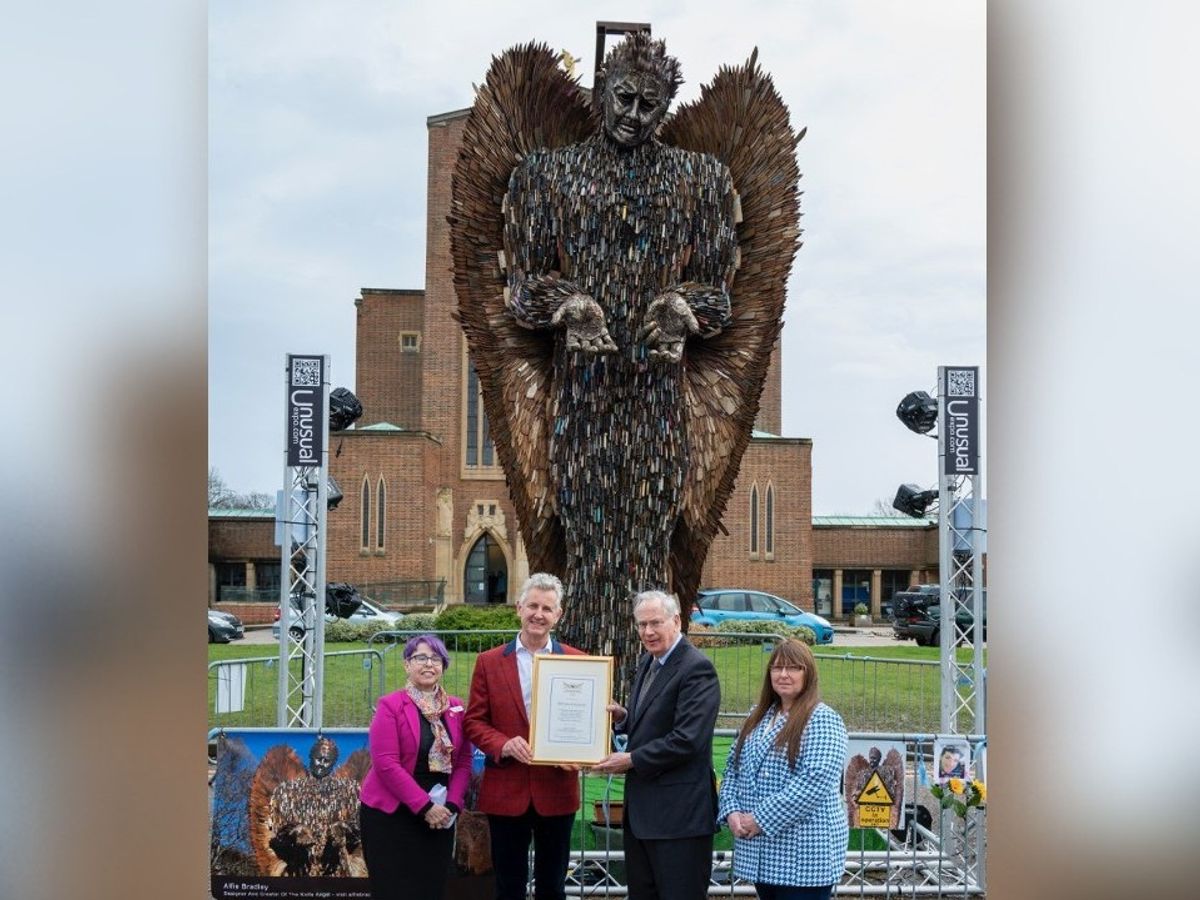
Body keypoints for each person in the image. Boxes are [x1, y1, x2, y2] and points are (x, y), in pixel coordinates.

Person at [501, 31, 738, 689]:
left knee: (647, 547)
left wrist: (686, 309)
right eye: (625, 99)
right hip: (583, 395)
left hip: (657, 398)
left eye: (649, 105)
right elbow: (520, 283)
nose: (634, 115)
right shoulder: (547, 176)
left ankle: (647, 691)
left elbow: (719, 290)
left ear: (665, 108)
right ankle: (577, 697)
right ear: (602, 92)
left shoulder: (700, 180)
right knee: (587, 545)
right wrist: (568, 302)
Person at [592, 590, 721, 900]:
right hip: (643, 818)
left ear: (676, 621)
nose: (647, 632)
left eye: (655, 623)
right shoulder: (650, 662)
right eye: (641, 625)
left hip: (679, 820)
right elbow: (655, 720)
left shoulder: (696, 669)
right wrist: (624, 717)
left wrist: (631, 759)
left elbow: (687, 740)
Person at [464, 573, 584, 900]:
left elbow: (585, 727)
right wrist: (502, 744)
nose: (538, 614)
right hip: (506, 792)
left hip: (556, 792)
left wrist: (584, 747)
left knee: (552, 887)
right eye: (533, 605)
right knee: (508, 887)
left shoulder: (579, 663)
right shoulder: (488, 663)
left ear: (558, 615)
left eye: (547, 608)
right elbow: (474, 722)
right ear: (519, 607)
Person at [717, 638, 848, 900]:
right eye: (777, 668)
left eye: (793, 668)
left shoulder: (823, 718)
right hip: (762, 854)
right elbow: (733, 768)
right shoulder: (758, 715)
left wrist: (759, 819)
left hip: (804, 855)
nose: (783, 674)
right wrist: (731, 812)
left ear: (808, 674)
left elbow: (813, 783)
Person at [358, 635, 472, 900]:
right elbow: (386, 763)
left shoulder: (456, 708)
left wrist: (452, 806)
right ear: (407, 664)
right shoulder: (391, 705)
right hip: (391, 814)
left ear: (444, 666)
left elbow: (464, 761)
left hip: (440, 817)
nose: (428, 664)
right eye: (420, 657)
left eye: (436, 658)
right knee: (393, 890)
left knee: (431, 888)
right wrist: (425, 807)